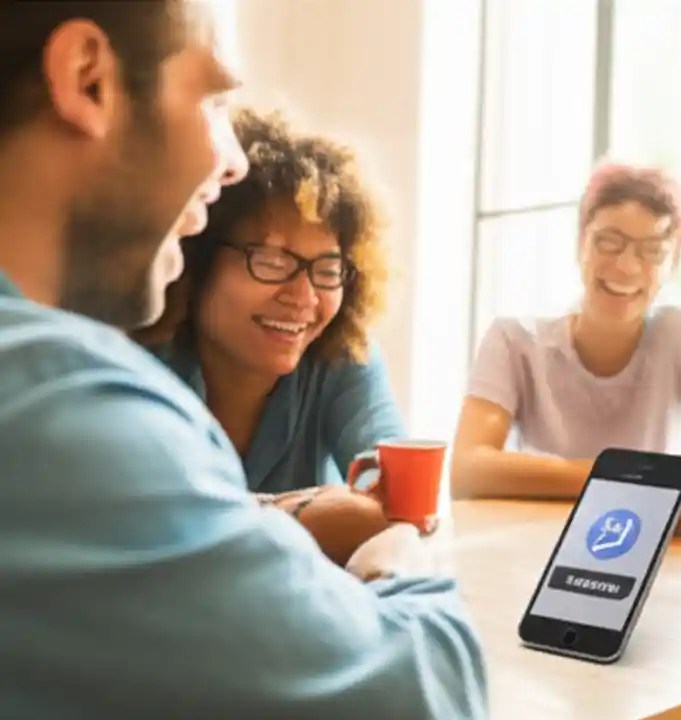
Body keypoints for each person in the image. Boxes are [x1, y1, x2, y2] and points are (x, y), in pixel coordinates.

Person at [0, 3, 486, 718]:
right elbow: (425, 690)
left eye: (326, 270)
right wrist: (400, 564)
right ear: (88, 79)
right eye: (214, 98)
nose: (230, 162)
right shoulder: (55, 402)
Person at [132, 107, 401, 561]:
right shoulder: (139, 362)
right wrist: (299, 513)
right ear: (197, 261)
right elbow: (145, 528)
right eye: (271, 262)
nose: (304, 296)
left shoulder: (342, 354)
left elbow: (396, 500)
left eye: (327, 270)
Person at [451, 162, 681, 501]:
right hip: (537, 538)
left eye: (653, 251)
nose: (627, 266)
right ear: (580, 244)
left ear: (674, 263)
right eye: (609, 243)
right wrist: (644, 478)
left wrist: (556, 477)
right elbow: (468, 471)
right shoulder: (514, 340)